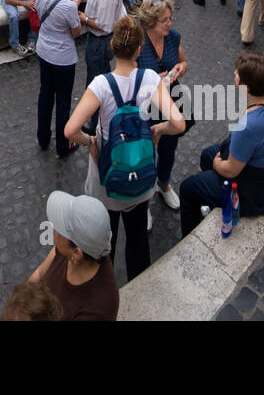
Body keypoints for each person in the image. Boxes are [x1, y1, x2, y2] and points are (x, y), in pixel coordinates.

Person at [64, 16, 185, 280]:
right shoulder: (151, 78)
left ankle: (105, 291)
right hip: (140, 175)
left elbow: (70, 130)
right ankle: (138, 287)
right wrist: (158, 130)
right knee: (138, 241)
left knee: (104, 242)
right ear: (139, 49)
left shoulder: (101, 84)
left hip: (107, 177)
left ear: (112, 47)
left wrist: (91, 142)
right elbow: (179, 123)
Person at [178, 52, 264, 237]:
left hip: (250, 192)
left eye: (238, 74)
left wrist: (216, 164)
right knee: (206, 154)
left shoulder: (247, 127)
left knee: (188, 188)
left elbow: (231, 170)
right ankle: (214, 201)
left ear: (246, 86)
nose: (234, 73)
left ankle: (188, 235)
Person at [135, 0, 190, 216]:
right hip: (146, 105)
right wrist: (152, 80)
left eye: (170, 18)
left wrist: (180, 69)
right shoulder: (139, 42)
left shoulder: (173, 37)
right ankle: (144, 200)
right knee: (146, 153)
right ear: (151, 21)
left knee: (169, 148)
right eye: (164, 20)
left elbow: (183, 61)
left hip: (170, 100)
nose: (169, 23)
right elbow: (128, 75)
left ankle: (164, 184)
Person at [25, 191, 119, 320]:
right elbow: (40, 273)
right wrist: (20, 304)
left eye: (60, 229)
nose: (53, 228)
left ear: (77, 252)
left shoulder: (96, 310)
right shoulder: (72, 250)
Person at [33, 0, 82, 157]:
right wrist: (75, 4)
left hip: (43, 52)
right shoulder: (69, 8)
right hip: (63, 59)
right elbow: (76, 32)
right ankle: (63, 145)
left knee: (45, 95)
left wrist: (67, 0)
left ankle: (42, 138)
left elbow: (50, 0)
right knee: (63, 101)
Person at [78, 0, 124, 88]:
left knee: (95, 81)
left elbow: (104, 25)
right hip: (104, 40)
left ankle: (95, 108)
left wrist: (84, 18)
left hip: (100, 42)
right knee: (103, 75)